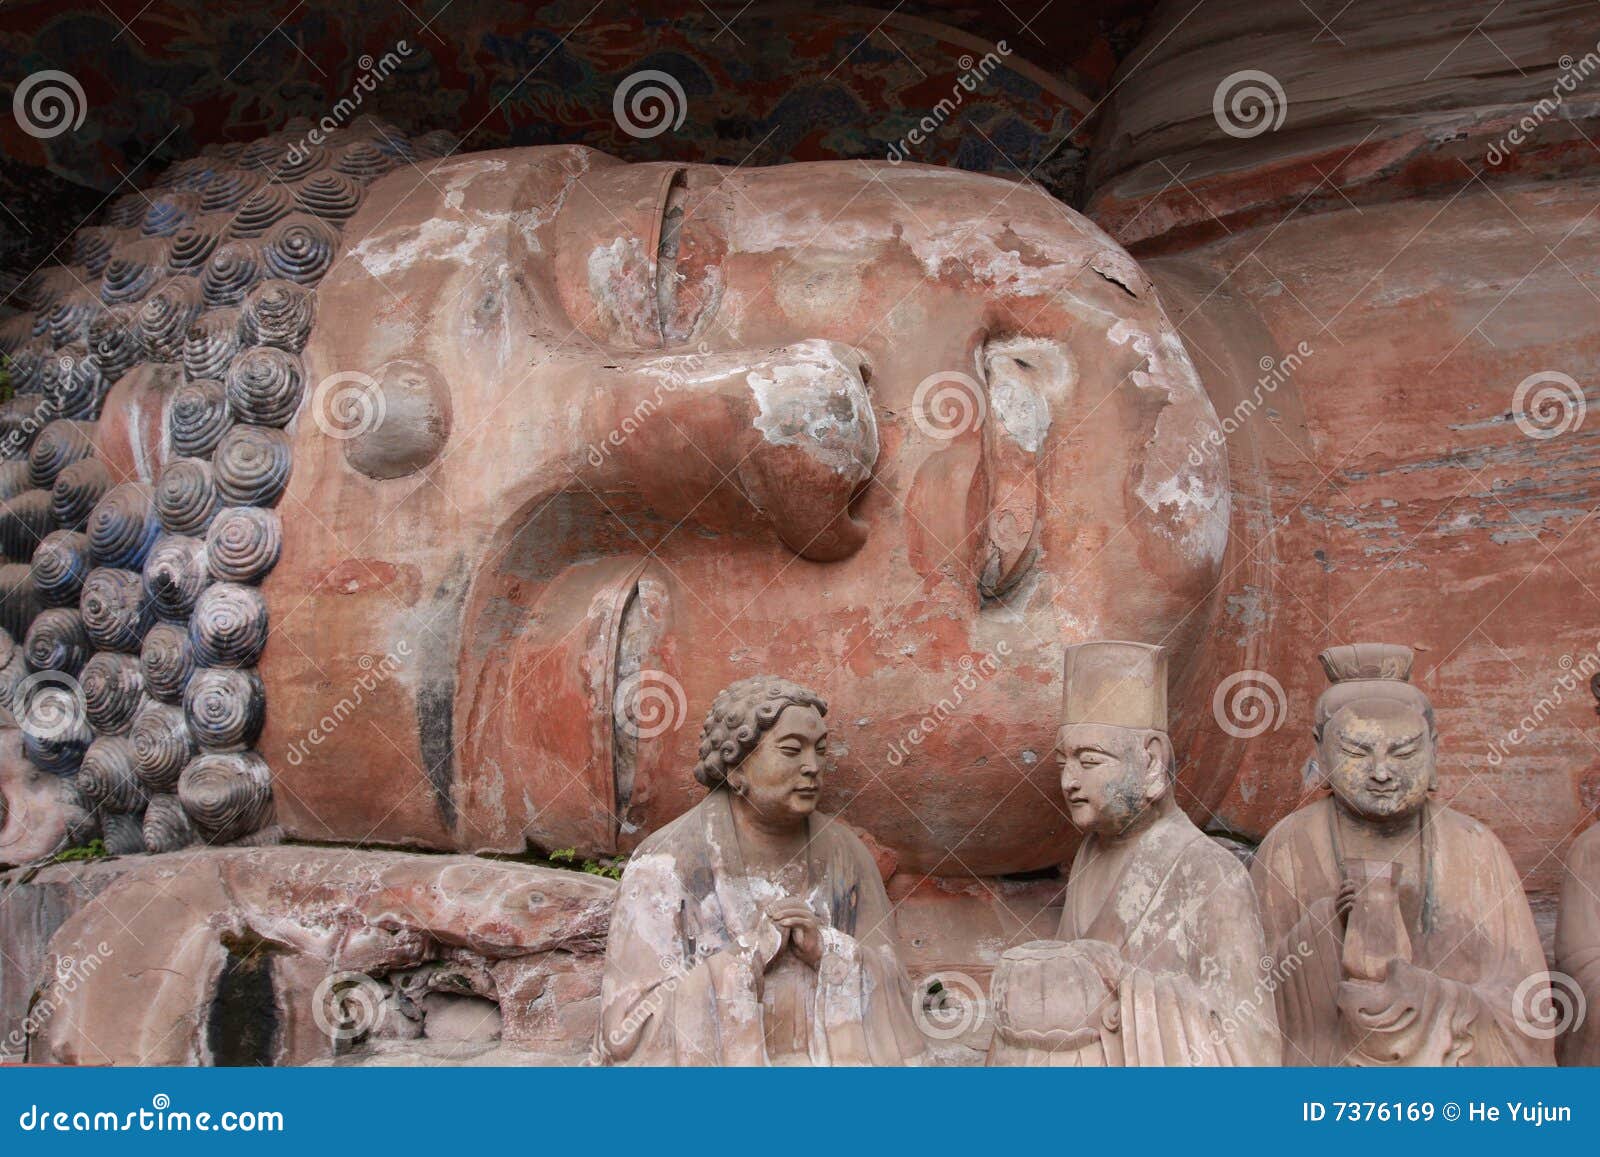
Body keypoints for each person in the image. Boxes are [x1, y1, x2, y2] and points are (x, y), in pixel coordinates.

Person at [595, 675, 923, 1065]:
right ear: (736, 767)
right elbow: (626, 1030)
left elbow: (894, 983)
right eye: (791, 750)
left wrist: (828, 950)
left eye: (820, 751)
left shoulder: (845, 853)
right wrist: (747, 958)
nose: (812, 767)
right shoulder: (669, 859)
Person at [1253, 643, 1554, 1065]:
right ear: (1320, 753)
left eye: (1404, 752)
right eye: (1358, 753)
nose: (1381, 772)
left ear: (1434, 749)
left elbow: (1527, 1011)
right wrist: (1325, 924)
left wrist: (1432, 999)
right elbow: (1250, 1001)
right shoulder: (1289, 845)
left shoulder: (1475, 847)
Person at [987, 641, 1281, 1065]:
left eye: (1089, 761)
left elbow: (1252, 1044)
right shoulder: (1090, 853)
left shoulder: (1210, 872)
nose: (1069, 781)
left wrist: (1123, 982)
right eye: (1062, 762)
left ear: (1151, 763)